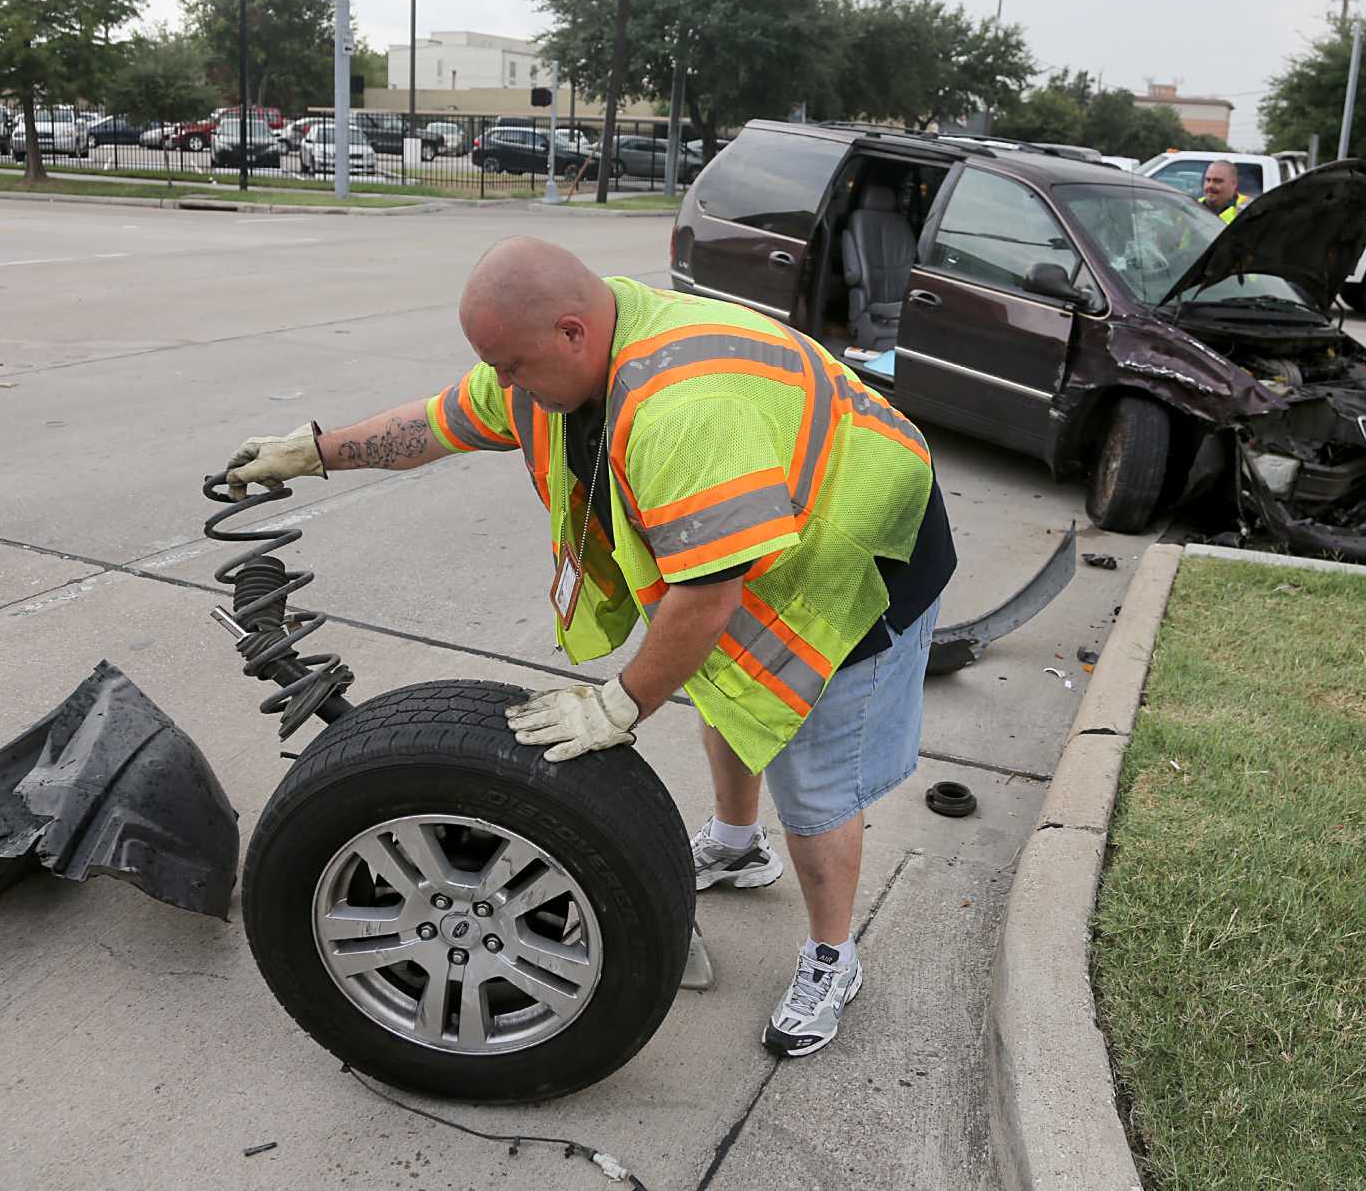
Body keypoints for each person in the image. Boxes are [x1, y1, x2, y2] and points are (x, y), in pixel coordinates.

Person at [224, 237, 955, 1058]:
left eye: (513, 366)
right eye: (495, 365)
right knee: (724, 682)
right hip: (759, 527)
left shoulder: (685, 409)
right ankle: (738, 846)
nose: (503, 385)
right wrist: (314, 452)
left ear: (573, 332)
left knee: (813, 774)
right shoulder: (550, 366)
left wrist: (622, 703)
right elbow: (436, 425)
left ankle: (833, 956)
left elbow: (710, 596)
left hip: (854, 553)